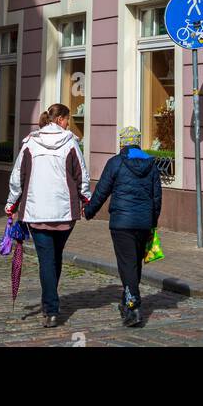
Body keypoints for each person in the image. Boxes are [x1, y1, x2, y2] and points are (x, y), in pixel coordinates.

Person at [5, 103, 90, 328]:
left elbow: (17, 176)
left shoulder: (30, 143)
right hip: (64, 212)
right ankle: (50, 303)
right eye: (67, 119)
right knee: (55, 257)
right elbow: (81, 175)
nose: (68, 123)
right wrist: (86, 199)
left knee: (47, 260)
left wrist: (11, 203)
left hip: (36, 211)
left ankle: (51, 308)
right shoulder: (70, 142)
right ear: (61, 119)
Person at [84, 126, 162, 329]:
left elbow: (102, 190)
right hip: (143, 223)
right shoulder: (151, 164)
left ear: (122, 143)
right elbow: (157, 198)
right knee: (134, 264)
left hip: (122, 224)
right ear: (138, 142)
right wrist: (152, 222)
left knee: (127, 265)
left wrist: (89, 211)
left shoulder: (115, 162)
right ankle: (126, 302)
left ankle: (133, 306)